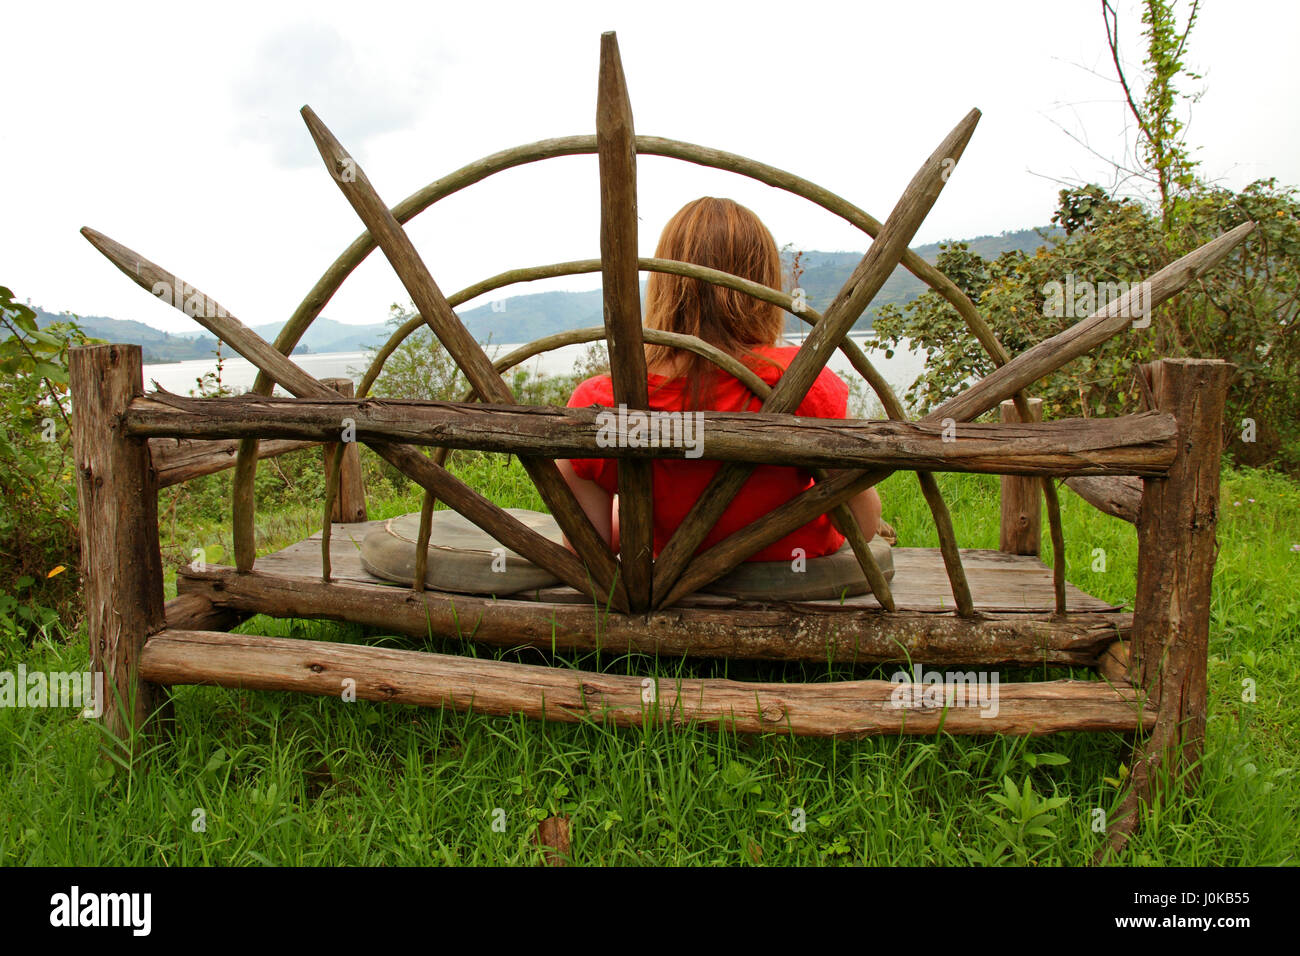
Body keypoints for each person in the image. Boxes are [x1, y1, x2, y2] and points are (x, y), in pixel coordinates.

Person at [557, 196, 882, 561]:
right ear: (762, 285)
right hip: (798, 582)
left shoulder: (599, 400)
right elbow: (863, 524)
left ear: (664, 282)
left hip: (674, 594)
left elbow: (588, 547)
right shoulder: (803, 381)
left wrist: (636, 522)